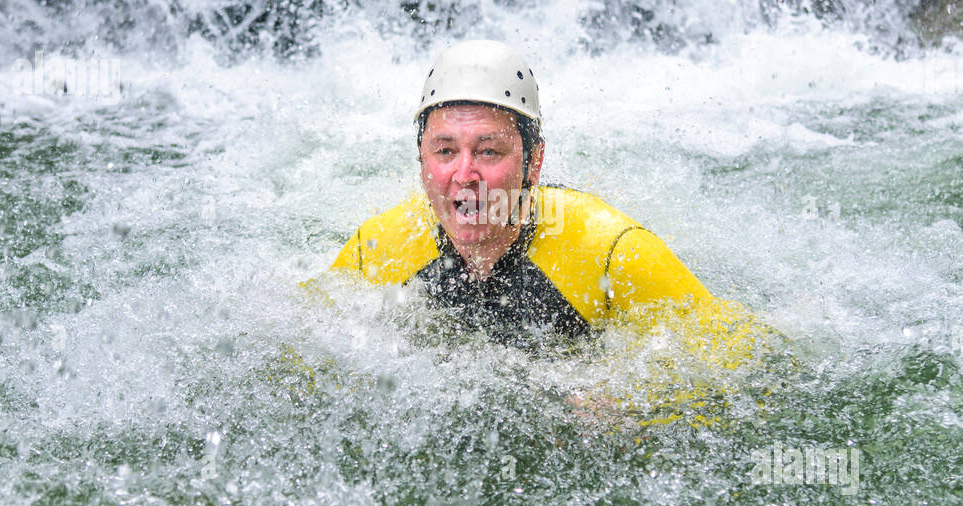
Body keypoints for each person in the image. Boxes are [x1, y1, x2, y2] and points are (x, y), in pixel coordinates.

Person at [328, 40, 779, 415]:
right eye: (445, 151)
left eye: (488, 151)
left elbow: (755, 354)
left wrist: (641, 401)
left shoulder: (610, 250)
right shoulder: (379, 249)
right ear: (422, 159)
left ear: (533, 162)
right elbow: (299, 345)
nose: (463, 175)